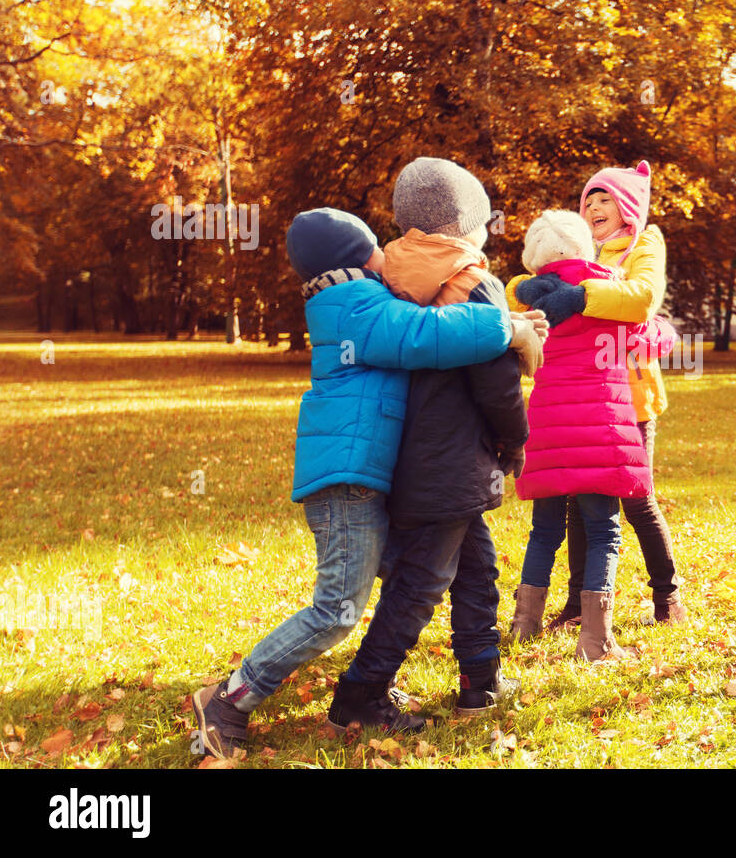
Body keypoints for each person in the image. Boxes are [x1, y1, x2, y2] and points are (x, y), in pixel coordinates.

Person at [191, 207, 523, 757]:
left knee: (422, 573)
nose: (385, 253)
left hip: (362, 475)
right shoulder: (355, 307)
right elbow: (424, 334)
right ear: (355, 256)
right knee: (336, 610)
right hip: (347, 481)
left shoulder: (351, 301)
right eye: (374, 246)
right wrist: (505, 324)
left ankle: (374, 691)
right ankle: (230, 697)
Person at [326, 158, 545, 727]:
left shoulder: (380, 278)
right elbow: (495, 384)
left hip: (396, 453)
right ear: (464, 223)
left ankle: (482, 676)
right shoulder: (475, 281)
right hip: (453, 459)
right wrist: (515, 441)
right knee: (420, 583)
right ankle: (360, 694)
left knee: (475, 565)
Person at [508, 161, 687, 627]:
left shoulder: (644, 241)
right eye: (588, 200)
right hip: (581, 396)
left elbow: (642, 295)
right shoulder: (574, 257)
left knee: (636, 500)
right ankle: (574, 606)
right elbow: (519, 293)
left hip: (629, 397)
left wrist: (581, 293)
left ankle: (666, 597)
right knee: (575, 503)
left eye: (605, 198)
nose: (594, 207)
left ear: (628, 207)